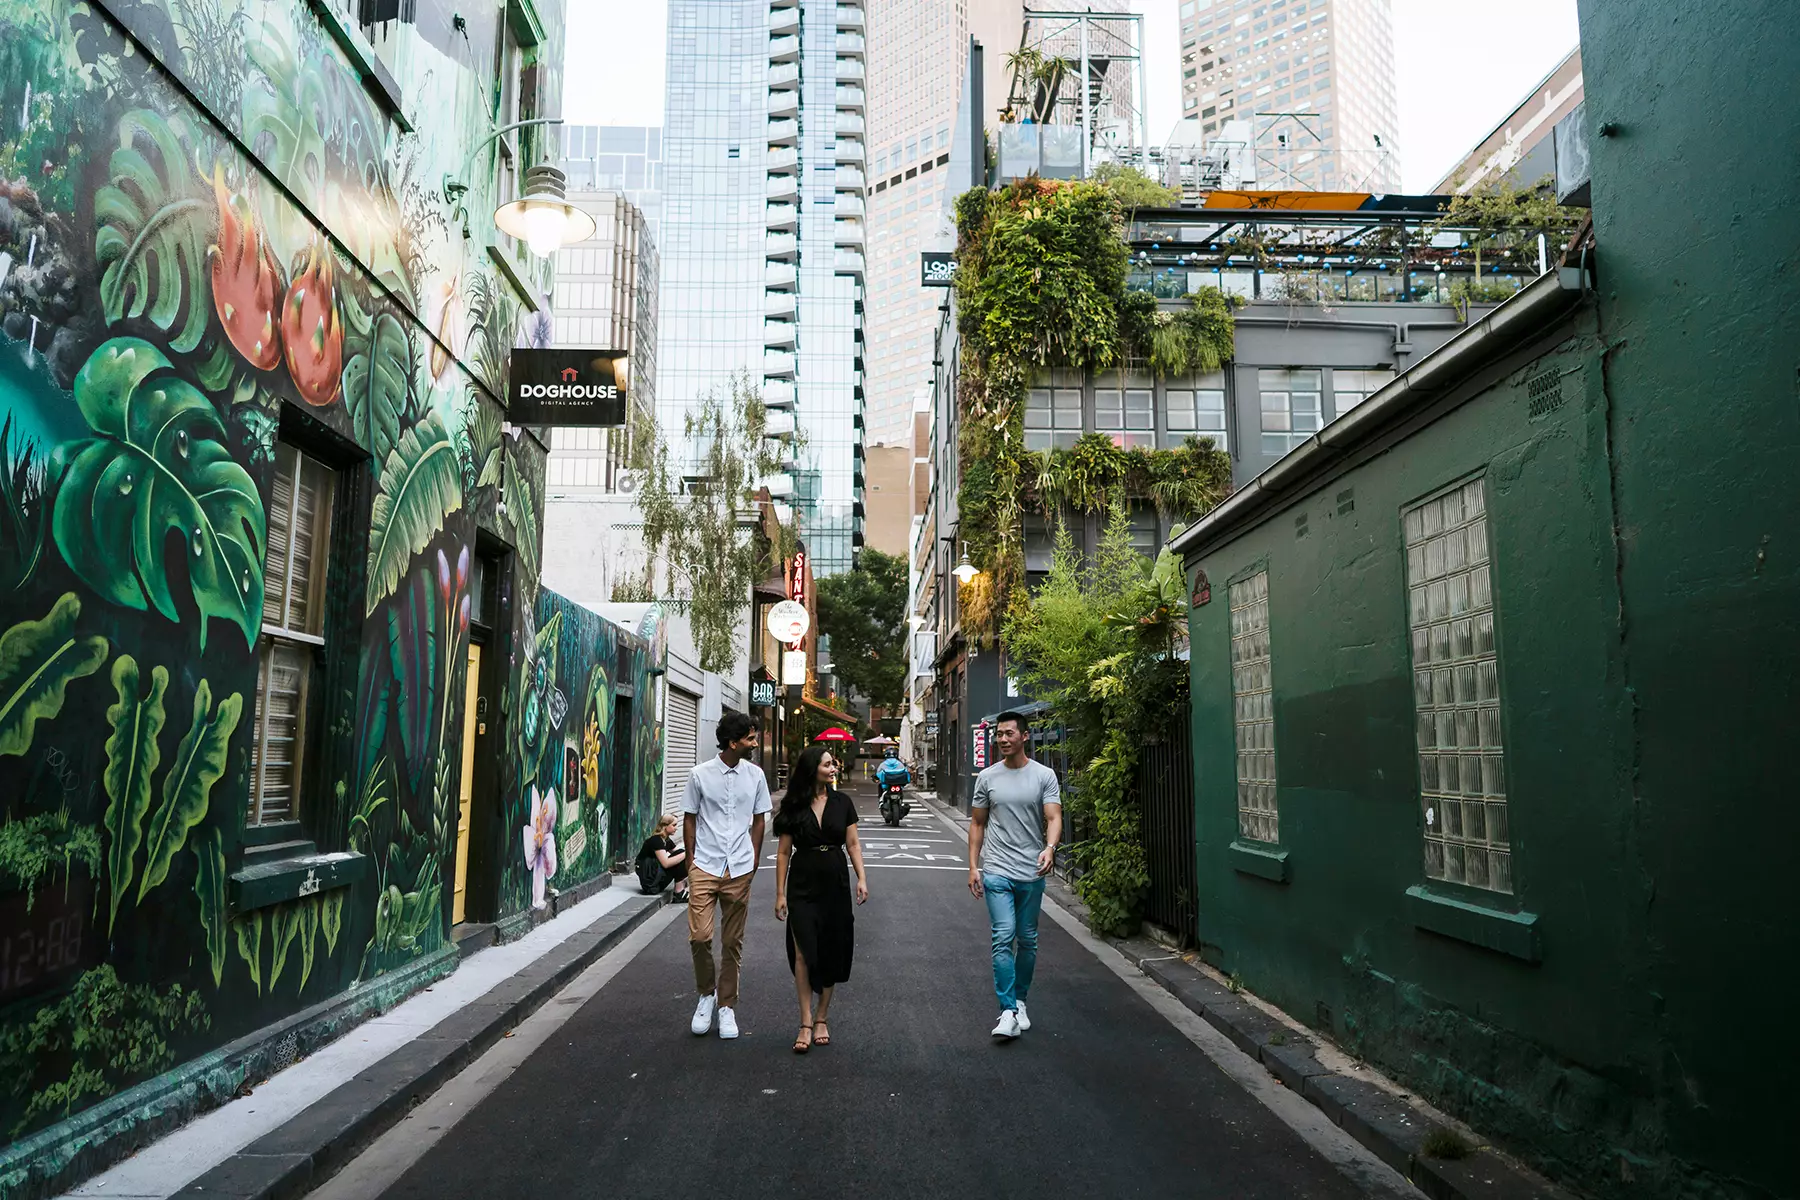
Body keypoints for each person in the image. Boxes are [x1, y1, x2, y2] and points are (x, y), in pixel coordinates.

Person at [967, 711, 1062, 1041]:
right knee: (1002, 935)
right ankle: (1007, 1009)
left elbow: (1053, 816)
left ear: (1024, 736)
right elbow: (977, 823)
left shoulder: (1044, 775)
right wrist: (973, 866)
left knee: (1028, 940)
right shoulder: (987, 777)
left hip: (1030, 871)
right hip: (996, 869)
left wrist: (1050, 848)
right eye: (999, 734)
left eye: (1009, 734)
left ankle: (1020, 1001)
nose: (1002, 739)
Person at [773, 744, 869, 1053]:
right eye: (828, 764)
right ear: (813, 768)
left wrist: (862, 878)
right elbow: (784, 852)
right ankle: (804, 1020)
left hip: (835, 883)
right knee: (802, 953)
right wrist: (779, 893)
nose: (833, 768)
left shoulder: (843, 803)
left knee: (831, 949)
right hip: (802, 884)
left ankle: (822, 1017)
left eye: (834, 764)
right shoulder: (794, 806)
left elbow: (853, 844)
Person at [682, 710, 771, 1040]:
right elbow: (689, 817)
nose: (755, 742)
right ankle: (707, 994)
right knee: (700, 937)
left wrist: (755, 855)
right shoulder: (700, 775)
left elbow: (760, 818)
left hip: (740, 867)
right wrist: (691, 861)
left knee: (733, 941)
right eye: (750, 738)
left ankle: (727, 1006)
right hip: (705, 864)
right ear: (733, 743)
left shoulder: (756, 776)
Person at [635, 814, 688, 900]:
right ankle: (678, 893)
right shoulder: (656, 840)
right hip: (651, 884)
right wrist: (688, 853)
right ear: (665, 826)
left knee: (682, 854)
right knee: (683, 855)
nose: (676, 828)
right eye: (674, 825)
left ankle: (679, 891)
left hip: (656, 877)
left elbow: (677, 853)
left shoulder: (665, 840)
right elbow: (666, 864)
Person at [874, 751, 912, 820]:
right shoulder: (900, 763)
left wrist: (876, 777)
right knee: (900, 794)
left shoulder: (883, 764)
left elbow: (878, 774)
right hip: (898, 785)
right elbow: (906, 773)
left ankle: (881, 801)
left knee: (880, 787)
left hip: (887, 786)